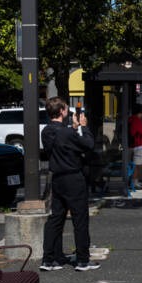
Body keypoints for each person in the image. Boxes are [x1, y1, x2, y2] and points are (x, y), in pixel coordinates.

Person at [40, 96, 100, 272]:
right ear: (61, 111)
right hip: (73, 177)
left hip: (57, 178)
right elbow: (88, 144)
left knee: (55, 218)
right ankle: (82, 260)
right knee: (79, 219)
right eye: (66, 109)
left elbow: (61, 145)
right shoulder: (67, 133)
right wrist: (83, 127)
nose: (68, 111)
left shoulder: (47, 132)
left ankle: (49, 259)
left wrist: (73, 129)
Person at [127, 104, 142, 194]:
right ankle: (135, 182)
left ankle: (133, 181)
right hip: (138, 145)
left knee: (133, 165)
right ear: (139, 112)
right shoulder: (137, 121)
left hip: (131, 145)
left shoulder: (130, 120)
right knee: (137, 165)